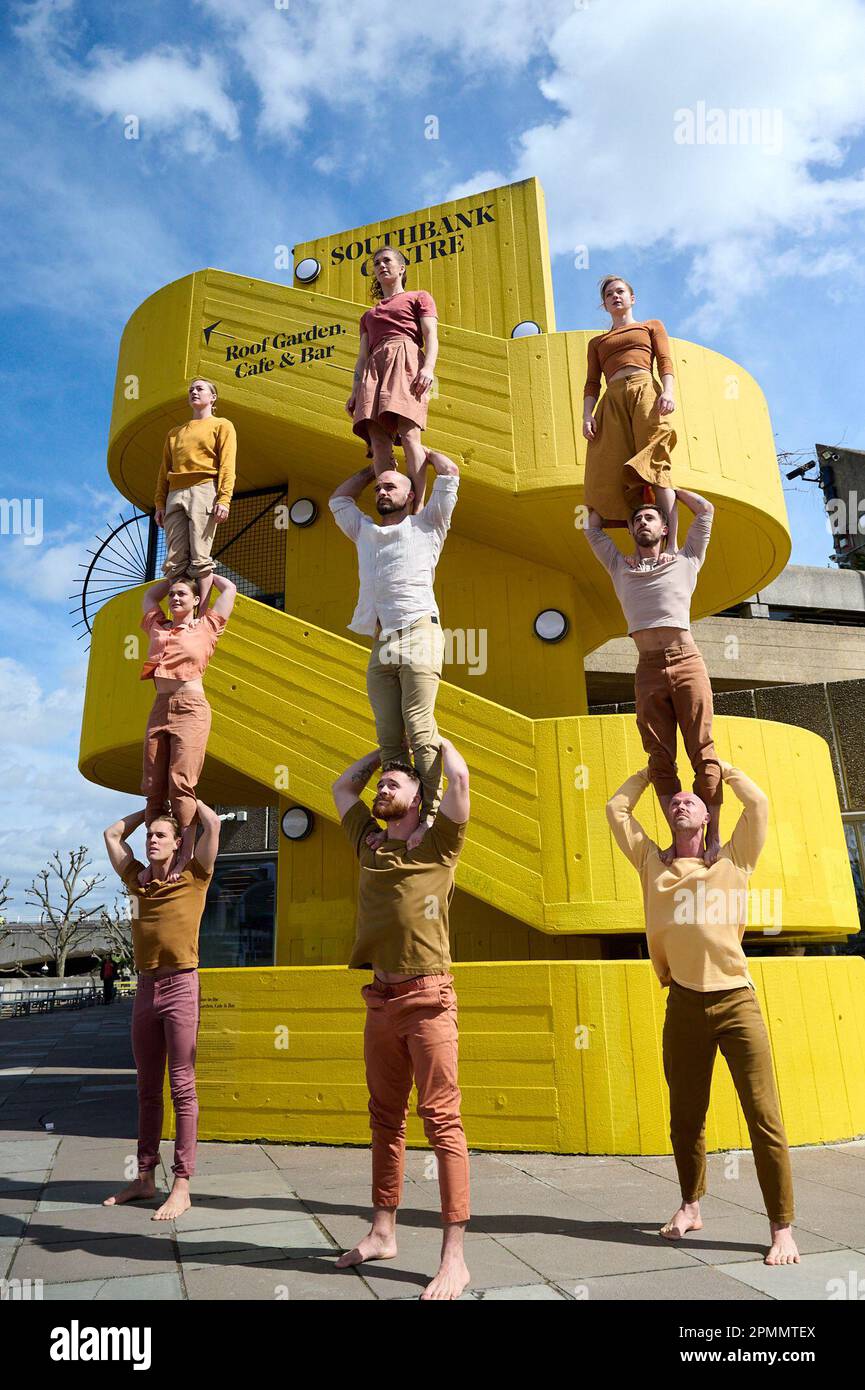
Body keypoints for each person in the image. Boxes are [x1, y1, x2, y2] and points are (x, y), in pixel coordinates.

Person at [605, 761, 799, 1266]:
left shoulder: (734, 859)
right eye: (675, 801)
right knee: (686, 1116)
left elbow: (757, 804)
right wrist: (651, 774)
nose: (681, 801)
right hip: (685, 1002)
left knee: (764, 1117)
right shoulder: (652, 863)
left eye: (692, 799)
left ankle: (781, 1228)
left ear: (708, 817)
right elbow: (616, 808)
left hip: (737, 1000)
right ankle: (690, 1204)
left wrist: (725, 770)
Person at [331, 739, 471, 1300]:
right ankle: (383, 1232)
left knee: (442, 1122)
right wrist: (380, 755)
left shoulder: (438, 844)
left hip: (429, 998)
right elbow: (343, 787)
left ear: (420, 799)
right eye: (382, 785)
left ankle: (454, 1259)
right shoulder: (369, 843)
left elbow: (458, 778)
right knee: (384, 1119)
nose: (382, 790)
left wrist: (425, 739)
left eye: (395, 784)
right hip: (380, 999)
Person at [584, 486, 723, 861]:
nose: (642, 522)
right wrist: (623, 511)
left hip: (686, 660)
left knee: (702, 750)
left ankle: (713, 838)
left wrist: (668, 489)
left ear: (665, 528)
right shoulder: (619, 564)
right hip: (647, 666)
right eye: (636, 521)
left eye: (650, 517)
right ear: (629, 531)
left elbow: (706, 510)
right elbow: (590, 524)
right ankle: (678, 841)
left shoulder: (686, 559)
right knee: (659, 757)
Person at [329, 450, 459, 839]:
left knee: (419, 727)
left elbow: (449, 473)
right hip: (382, 640)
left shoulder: (428, 524)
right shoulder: (365, 530)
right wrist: (374, 470)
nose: (383, 491)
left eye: (392, 486)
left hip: (419, 631)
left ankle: (432, 815)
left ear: (411, 494)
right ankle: (403, 814)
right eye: (380, 488)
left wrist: (421, 452)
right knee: (388, 737)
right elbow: (338, 499)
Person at [102, 800, 221, 1221]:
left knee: (182, 1086)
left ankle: (183, 1184)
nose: (151, 840)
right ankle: (145, 1177)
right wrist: (149, 809)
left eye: (160, 836)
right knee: (146, 1088)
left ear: (175, 845)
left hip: (181, 985)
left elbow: (212, 825)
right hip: (146, 988)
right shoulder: (136, 881)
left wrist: (185, 797)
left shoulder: (194, 877)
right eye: (150, 836)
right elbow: (112, 835)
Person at [139, 571, 236, 878]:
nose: (175, 598)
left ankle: (185, 854)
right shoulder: (159, 625)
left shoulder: (207, 626)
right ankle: (158, 863)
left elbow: (230, 588)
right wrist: (173, 576)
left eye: (183, 594)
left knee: (180, 781)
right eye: (173, 595)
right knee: (153, 785)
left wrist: (204, 570)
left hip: (191, 708)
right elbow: (149, 597)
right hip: (160, 708)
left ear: (196, 600)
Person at [345, 246, 438, 514]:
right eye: (376, 263)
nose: (381, 266)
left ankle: (416, 506)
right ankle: (392, 504)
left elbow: (431, 336)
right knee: (379, 441)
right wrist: (355, 390)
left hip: (406, 357)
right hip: (374, 367)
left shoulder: (419, 297)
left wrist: (428, 368)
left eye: (387, 261)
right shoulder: (368, 315)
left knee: (409, 435)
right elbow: (362, 357)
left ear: (401, 268)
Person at [582, 276, 676, 527]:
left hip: (644, 390)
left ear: (631, 298)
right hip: (611, 400)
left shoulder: (651, 326)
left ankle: (671, 544)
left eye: (620, 291)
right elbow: (592, 383)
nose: (615, 296)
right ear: (605, 305)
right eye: (609, 294)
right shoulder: (597, 343)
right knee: (610, 471)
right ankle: (640, 542)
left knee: (656, 463)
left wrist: (668, 392)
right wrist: (587, 415)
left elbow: (665, 361)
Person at [154, 378, 237, 615]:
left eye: (200, 388)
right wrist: (160, 503)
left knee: (200, 557)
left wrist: (223, 499)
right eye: (191, 389)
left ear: (212, 397)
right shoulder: (174, 433)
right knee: (174, 561)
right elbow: (163, 472)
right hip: (174, 494)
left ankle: (199, 617)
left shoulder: (222, 425)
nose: (194, 391)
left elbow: (227, 466)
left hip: (204, 488)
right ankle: (179, 616)